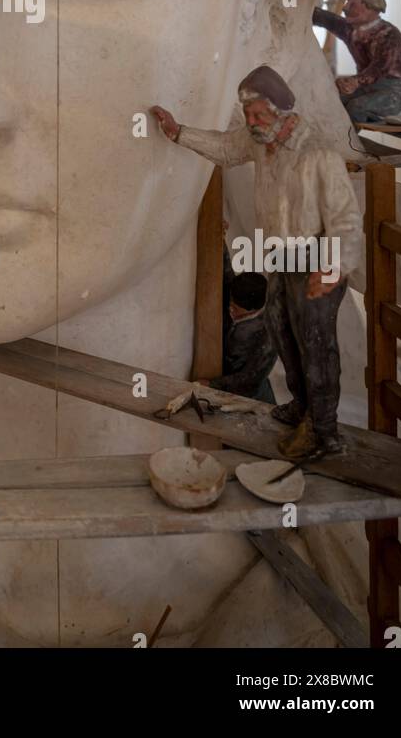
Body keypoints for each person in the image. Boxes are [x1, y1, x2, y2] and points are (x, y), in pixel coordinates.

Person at [152, 65, 363, 460]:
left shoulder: (317, 151)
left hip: (318, 258)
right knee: (284, 336)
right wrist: (179, 132)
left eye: (258, 114)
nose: (251, 122)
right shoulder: (259, 140)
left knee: (316, 347)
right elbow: (226, 148)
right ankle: (302, 408)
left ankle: (323, 431)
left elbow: (347, 220)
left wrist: (332, 270)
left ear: (282, 110)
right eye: (247, 114)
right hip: (283, 258)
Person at [313, 0, 401, 124]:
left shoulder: (389, 35)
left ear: (372, 8)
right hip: (365, 87)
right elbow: (329, 20)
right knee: (331, 101)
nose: (345, 8)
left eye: (353, 5)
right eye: (347, 3)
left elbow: (381, 67)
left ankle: (348, 143)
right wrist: (304, 10)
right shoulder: (350, 29)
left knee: (357, 107)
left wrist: (356, 81)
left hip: (392, 92)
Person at [210, 272, 276, 405]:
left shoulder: (269, 334)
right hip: (222, 378)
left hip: (250, 395)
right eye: (231, 303)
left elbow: (251, 379)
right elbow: (222, 262)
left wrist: (212, 384)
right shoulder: (238, 290)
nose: (230, 310)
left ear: (254, 310)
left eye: (236, 309)